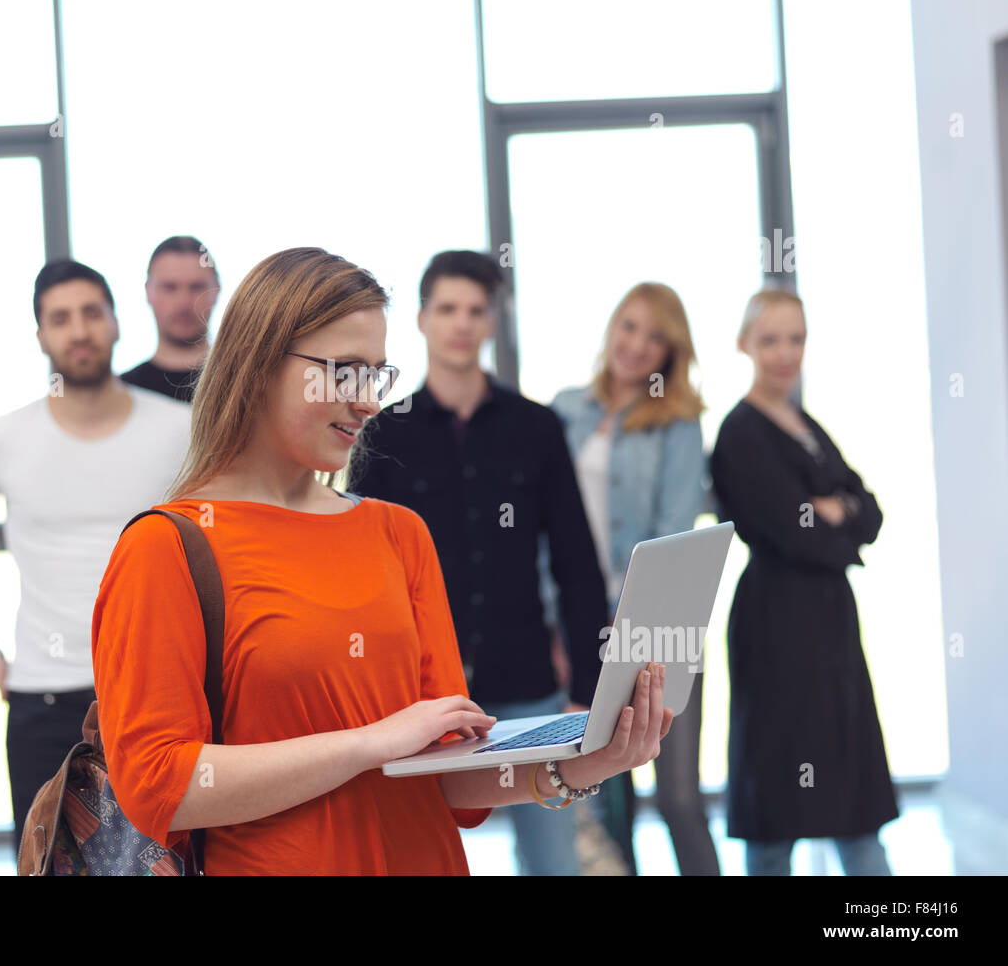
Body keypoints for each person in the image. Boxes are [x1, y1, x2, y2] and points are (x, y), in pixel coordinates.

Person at [91, 246, 666, 876]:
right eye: (344, 372)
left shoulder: (398, 533)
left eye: (376, 376)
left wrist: (585, 763)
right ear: (257, 363)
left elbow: (447, 778)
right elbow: (156, 787)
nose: (367, 402)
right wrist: (369, 743)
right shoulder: (167, 547)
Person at [349, 249, 608, 876]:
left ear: (493, 320)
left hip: (526, 684)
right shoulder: (383, 433)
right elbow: (361, 570)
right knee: (419, 854)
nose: (461, 323)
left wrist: (588, 689)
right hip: (421, 692)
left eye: (475, 310)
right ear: (421, 319)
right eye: (447, 309)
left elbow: (575, 559)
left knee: (552, 860)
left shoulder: (536, 427)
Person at [0, 260, 191, 853]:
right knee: (46, 863)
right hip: (44, 700)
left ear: (117, 324)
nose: (79, 331)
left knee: (164, 863)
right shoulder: (4, 437)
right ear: (42, 337)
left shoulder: (182, 430)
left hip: (155, 695)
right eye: (61, 319)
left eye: (91, 314)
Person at [709, 289, 897, 876]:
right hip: (778, 627)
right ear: (745, 344)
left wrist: (834, 509)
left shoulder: (802, 422)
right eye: (770, 339)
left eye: (796, 338)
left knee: (855, 800)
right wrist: (833, 513)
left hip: (829, 624)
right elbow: (796, 533)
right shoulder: (741, 433)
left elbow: (870, 510)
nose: (785, 353)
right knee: (777, 804)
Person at [549, 282, 719, 876]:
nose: (638, 345)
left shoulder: (678, 424)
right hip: (575, 624)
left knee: (677, 799)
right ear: (612, 328)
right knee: (601, 792)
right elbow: (545, 532)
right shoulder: (565, 410)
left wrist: (626, 625)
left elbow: (674, 532)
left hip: (657, 624)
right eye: (630, 326)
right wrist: (563, 629)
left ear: (671, 353)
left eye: (656, 337)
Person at [121, 235, 220, 403]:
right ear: (148, 291)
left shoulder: (247, 382)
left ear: (216, 290)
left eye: (196, 287)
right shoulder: (122, 394)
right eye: (169, 287)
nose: (184, 302)